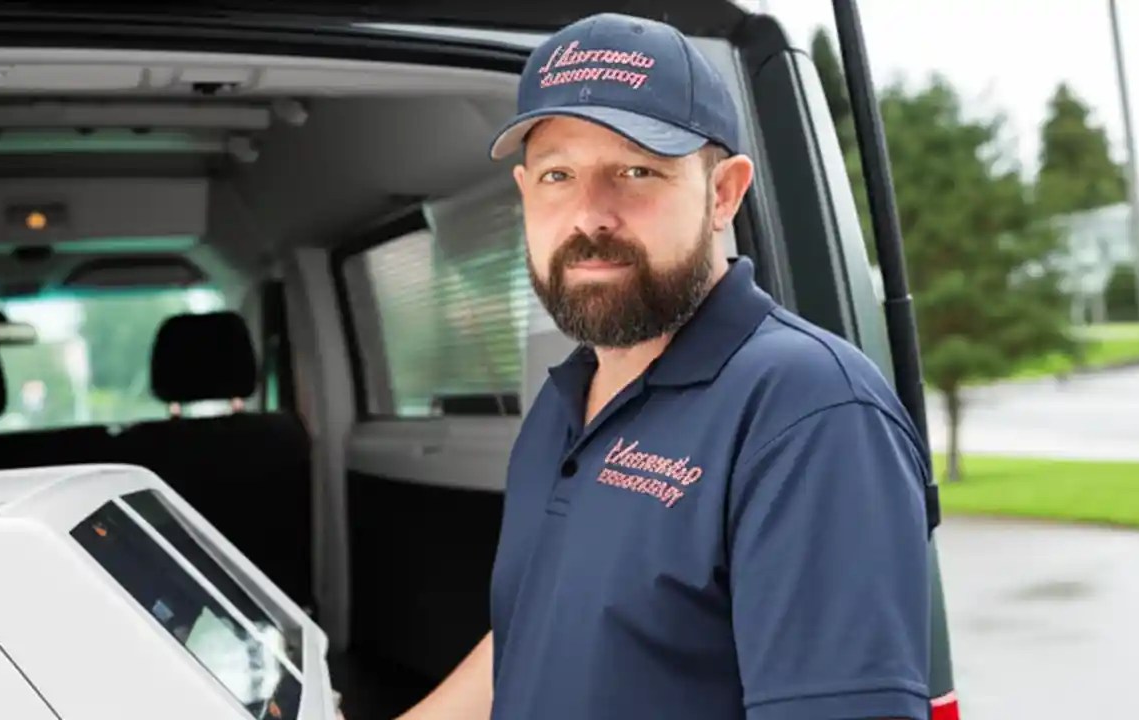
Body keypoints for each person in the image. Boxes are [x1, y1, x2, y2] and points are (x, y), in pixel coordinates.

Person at [397, 12, 933, 720]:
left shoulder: (808, 412)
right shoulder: (565, 403)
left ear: (723, 194)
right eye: (559, 174)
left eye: (637, 170)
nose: (590, 215)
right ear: (527, 194)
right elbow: (534, 636)